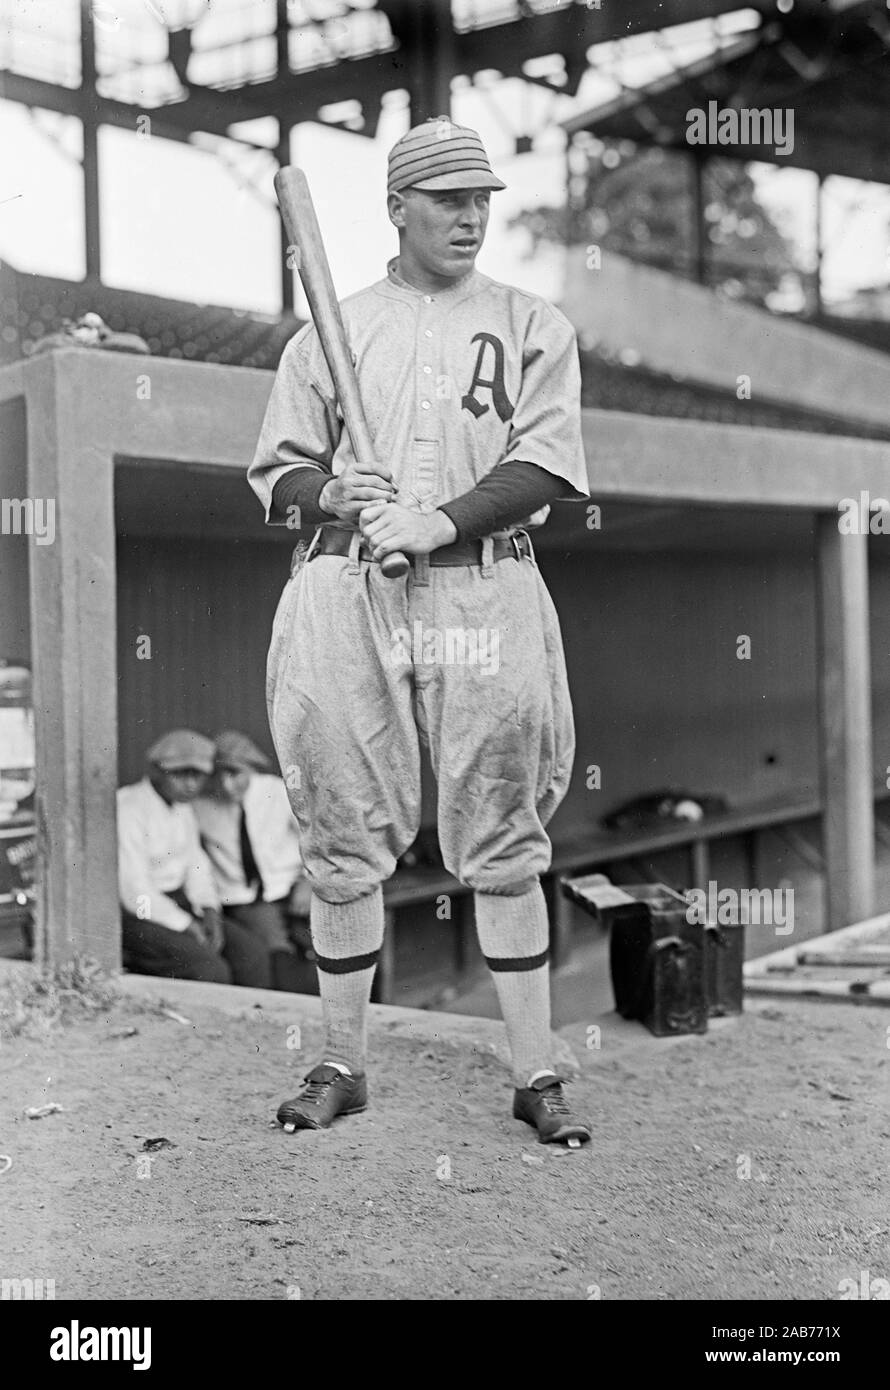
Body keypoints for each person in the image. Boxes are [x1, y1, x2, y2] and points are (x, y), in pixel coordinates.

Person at [249, 119, 591, 1145]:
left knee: (503, 832)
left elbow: (548, 464)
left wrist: (434, 518)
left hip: (482, 589)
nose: (471, 213)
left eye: (480, 195)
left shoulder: (535, 322)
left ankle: (533, 1068)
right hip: (346, 589)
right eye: (447, 197)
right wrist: (337, 492)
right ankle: (339, 1060)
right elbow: (276, 473)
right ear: (397, 207)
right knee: (340, 830)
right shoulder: (328, 331)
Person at [117, 730, 270, 987]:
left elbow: (196, 865)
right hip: (138, 915)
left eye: (197, 775)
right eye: (180, 774)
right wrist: (185, 924)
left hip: (180, 904)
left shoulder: (182, 807)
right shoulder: (128, 807)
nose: (190, 784)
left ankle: (250, 1022)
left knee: (251, 954)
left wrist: (209, 911)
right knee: (210, 970)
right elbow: (135, 891)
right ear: (156, 770)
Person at [194, 730, 316, 992]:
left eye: (235, 773)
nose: (226, 784)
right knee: (276, 955)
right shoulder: (199, 805)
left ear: (252, 768)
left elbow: (314, 837)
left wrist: (309, 881)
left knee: (322, 945)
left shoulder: (279, 791)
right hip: (243, 899)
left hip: (292, 888)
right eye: (218, 774)